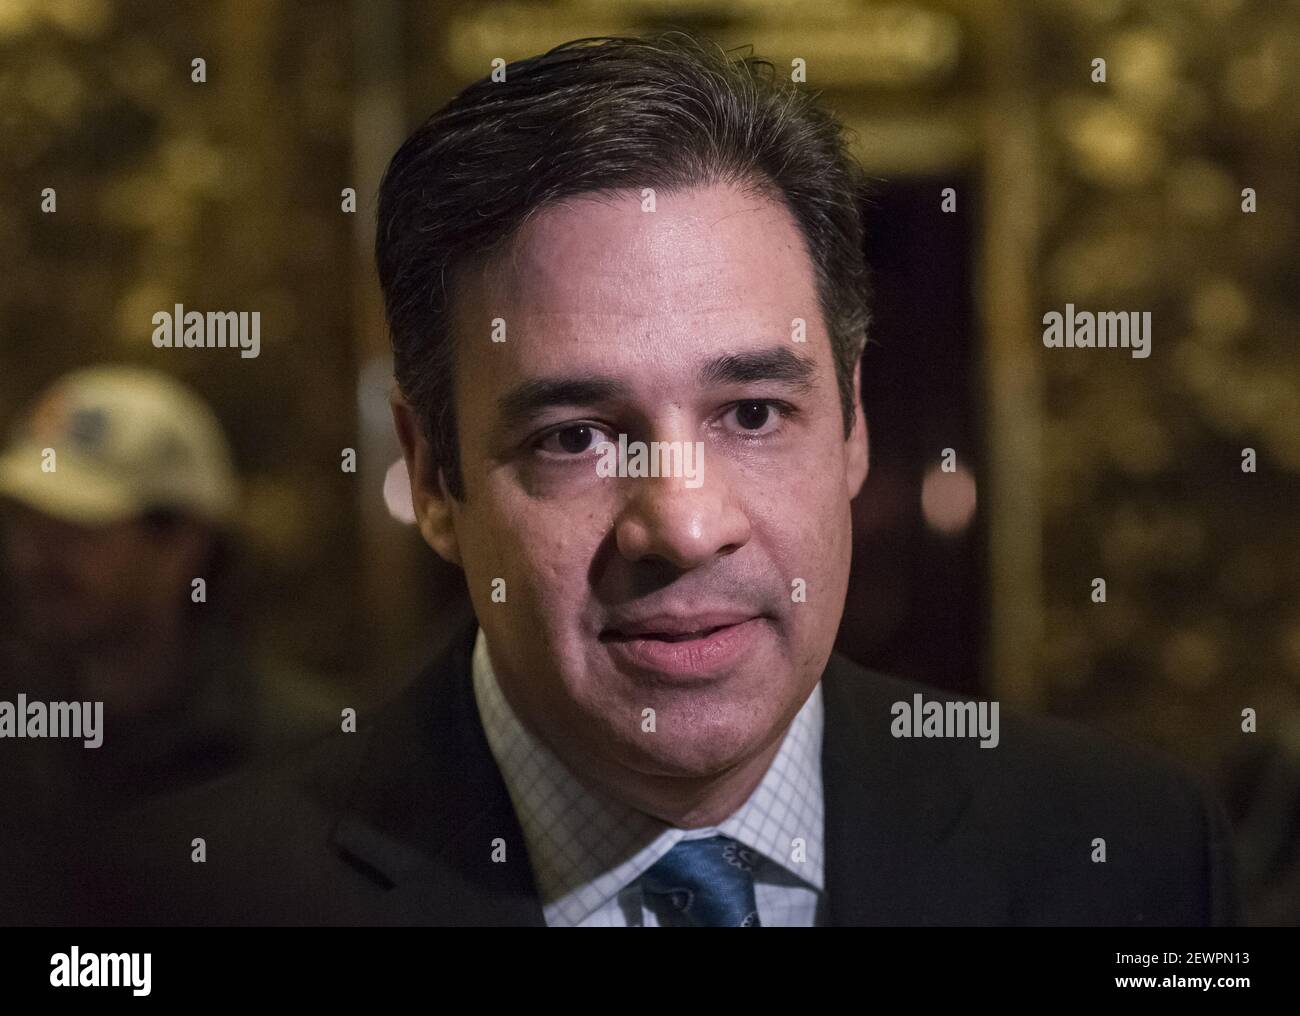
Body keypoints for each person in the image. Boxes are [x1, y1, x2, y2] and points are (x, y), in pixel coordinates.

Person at [94, 34, 1235, 927]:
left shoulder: (1122, 851)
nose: (683, 522)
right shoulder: (172, 903)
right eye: (577, 435)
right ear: (434, 476)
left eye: (751, 412)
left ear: (852, 427)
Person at [0, 366, 338, 922]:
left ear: (184, 545)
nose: (36, 556)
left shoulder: (302, 758)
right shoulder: (20, 745)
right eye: (24, 520)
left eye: (77, 526)